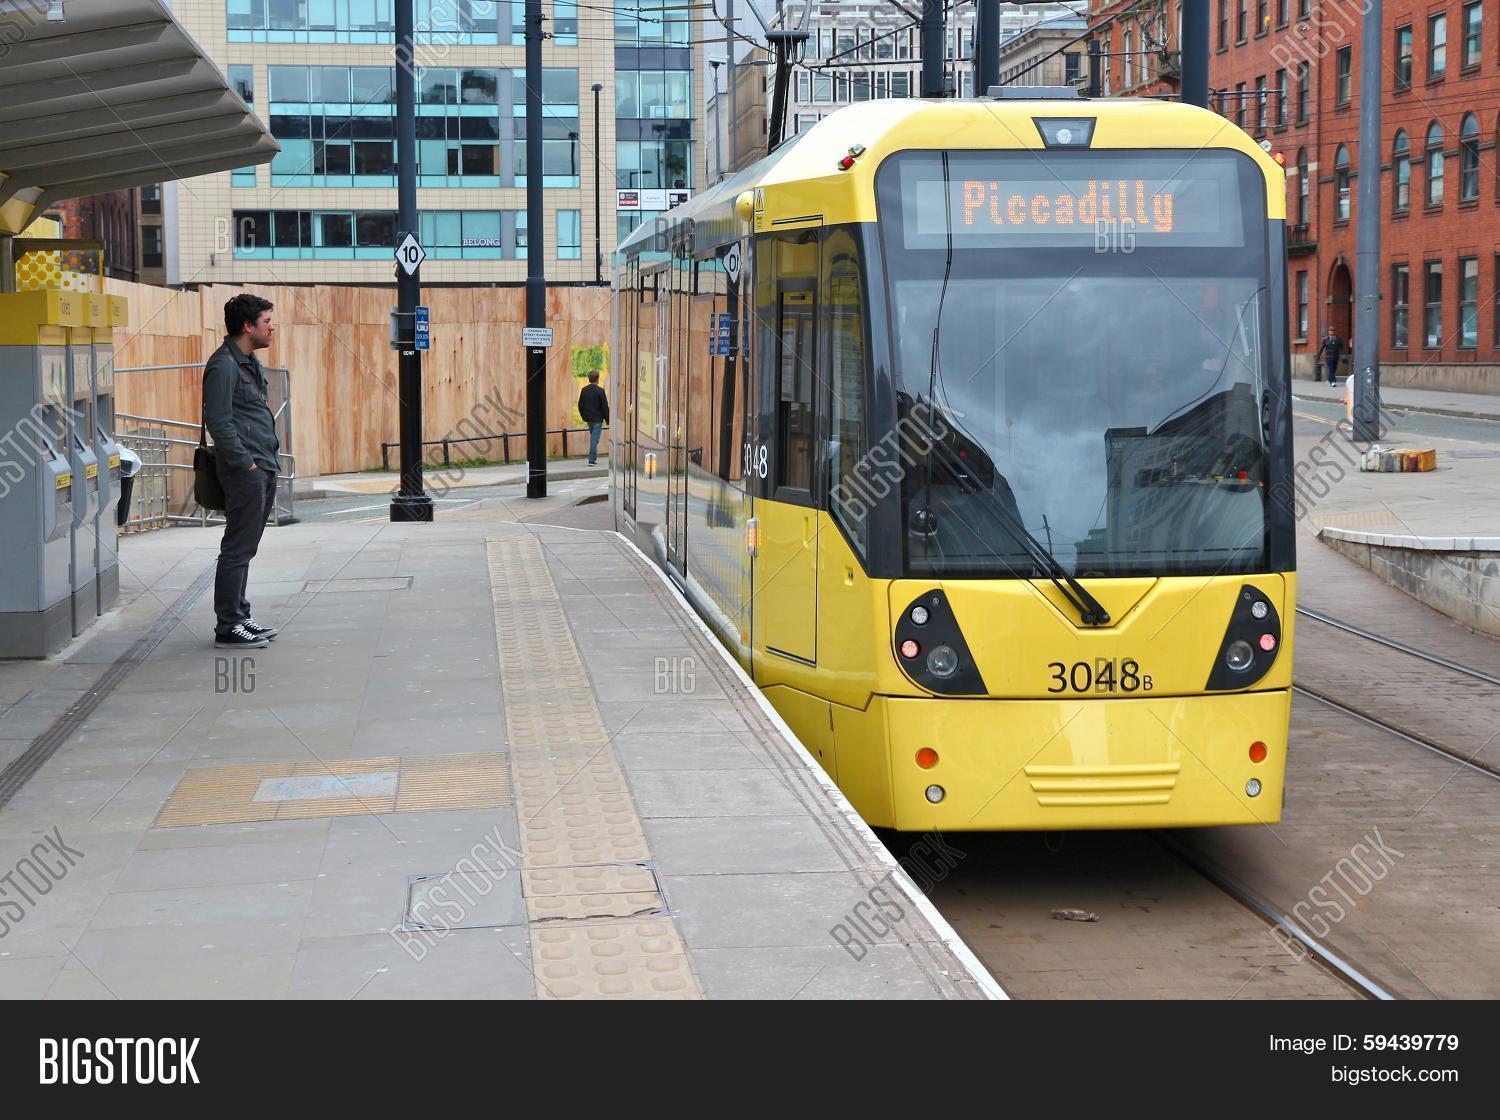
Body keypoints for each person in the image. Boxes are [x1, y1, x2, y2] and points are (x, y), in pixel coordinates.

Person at [203, 294, 281, 649]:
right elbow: (218, 421)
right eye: (266, 321)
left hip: (262, 464)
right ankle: (228, 625)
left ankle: (240, 614)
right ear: (248, 326)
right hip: (245, 469)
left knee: (246, 548)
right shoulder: (224, 366)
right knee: (236, 548)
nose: (271, 327)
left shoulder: (249, 363)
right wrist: (245, 464)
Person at [577, 369, 609, 466]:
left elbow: (580, 405)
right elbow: (604, 407)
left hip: (588, 419)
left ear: (589, 379)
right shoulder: (600, 391)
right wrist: (608, 420)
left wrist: (583, 416)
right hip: (597, 419)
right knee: (594, 439)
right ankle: (591, 460)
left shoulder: (584, 390)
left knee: (594, 438)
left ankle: (593, 458)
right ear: (597, 379)